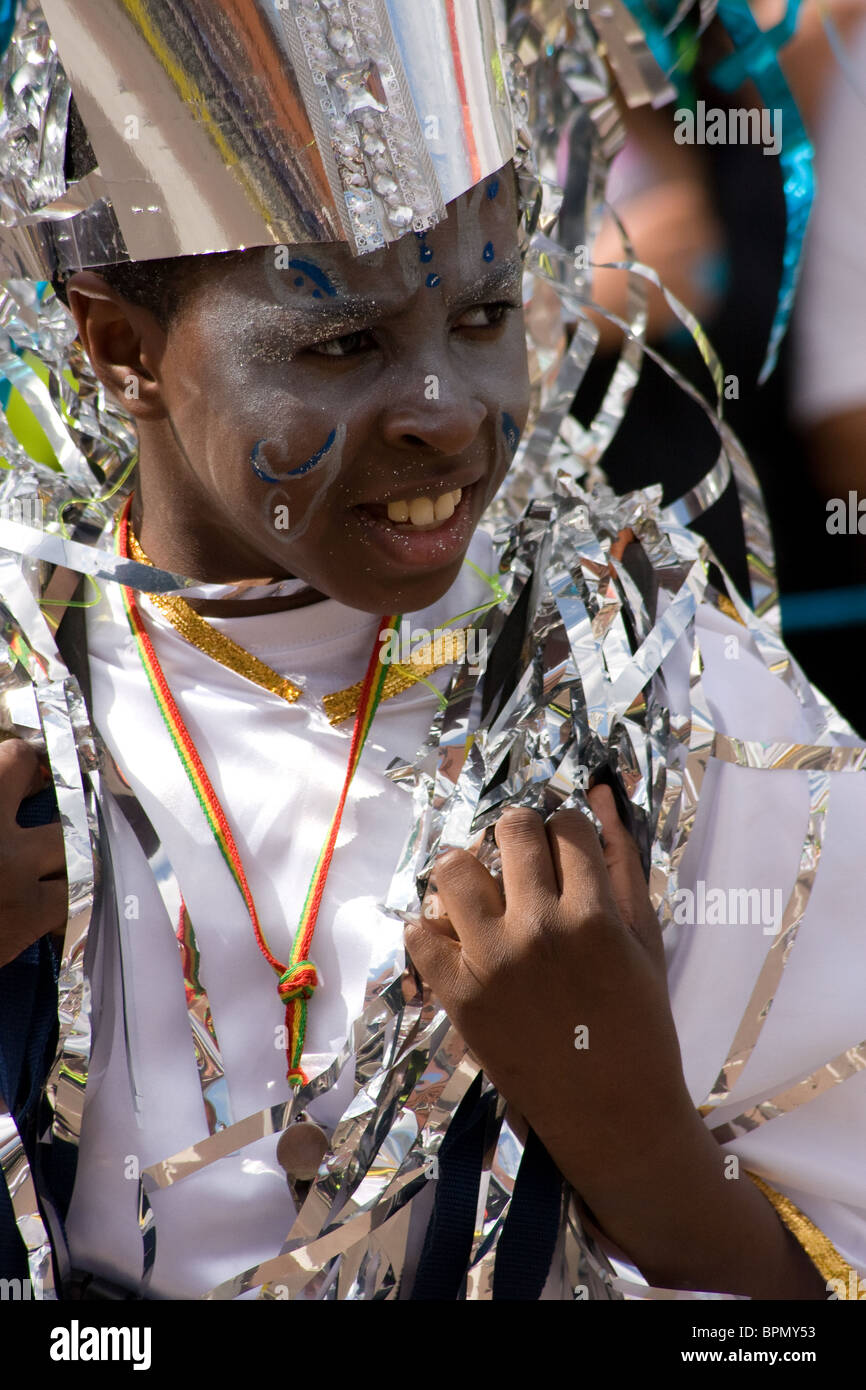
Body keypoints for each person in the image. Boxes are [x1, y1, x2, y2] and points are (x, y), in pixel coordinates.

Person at [1, 0, 864, 1302]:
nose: (446, 413)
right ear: (122, 350)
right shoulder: (27, 689)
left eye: (484, 315)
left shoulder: (673, 704)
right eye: (340, 341)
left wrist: (636, 1140)